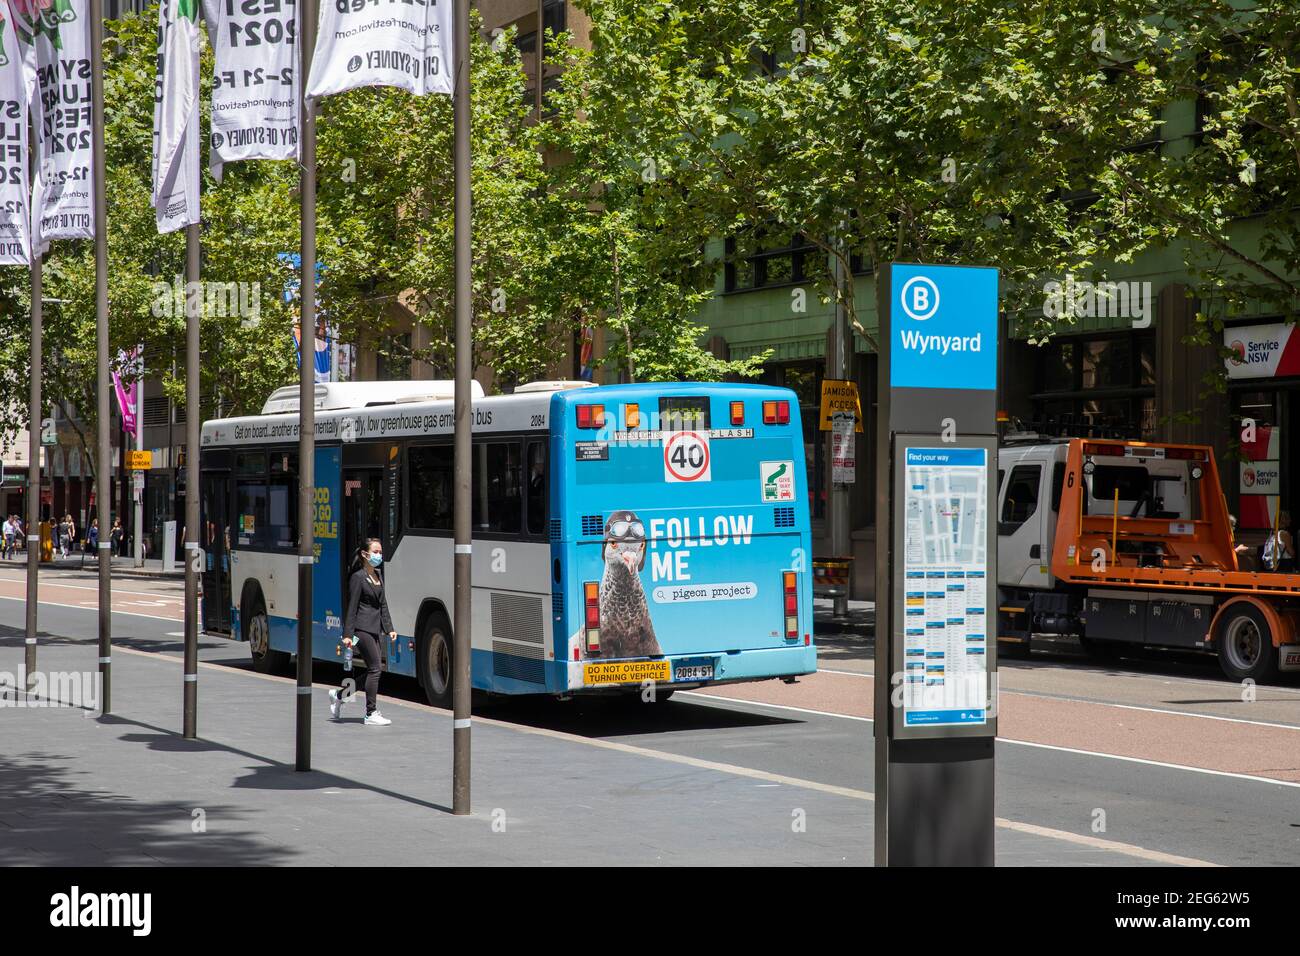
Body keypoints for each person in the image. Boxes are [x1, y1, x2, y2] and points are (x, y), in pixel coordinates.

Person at [330, 538, 397, 726]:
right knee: (376, 668)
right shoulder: (358, 577)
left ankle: (339, 696)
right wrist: (347, 634)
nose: (379, 555)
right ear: (365, 555)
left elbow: (383, 605)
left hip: (374, 628)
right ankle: (371, 713)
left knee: (372, 670)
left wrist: (389, 628)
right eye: (375, 552)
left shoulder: (378, 575)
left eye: (380, 552)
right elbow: (352, 608)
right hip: (361, 628)